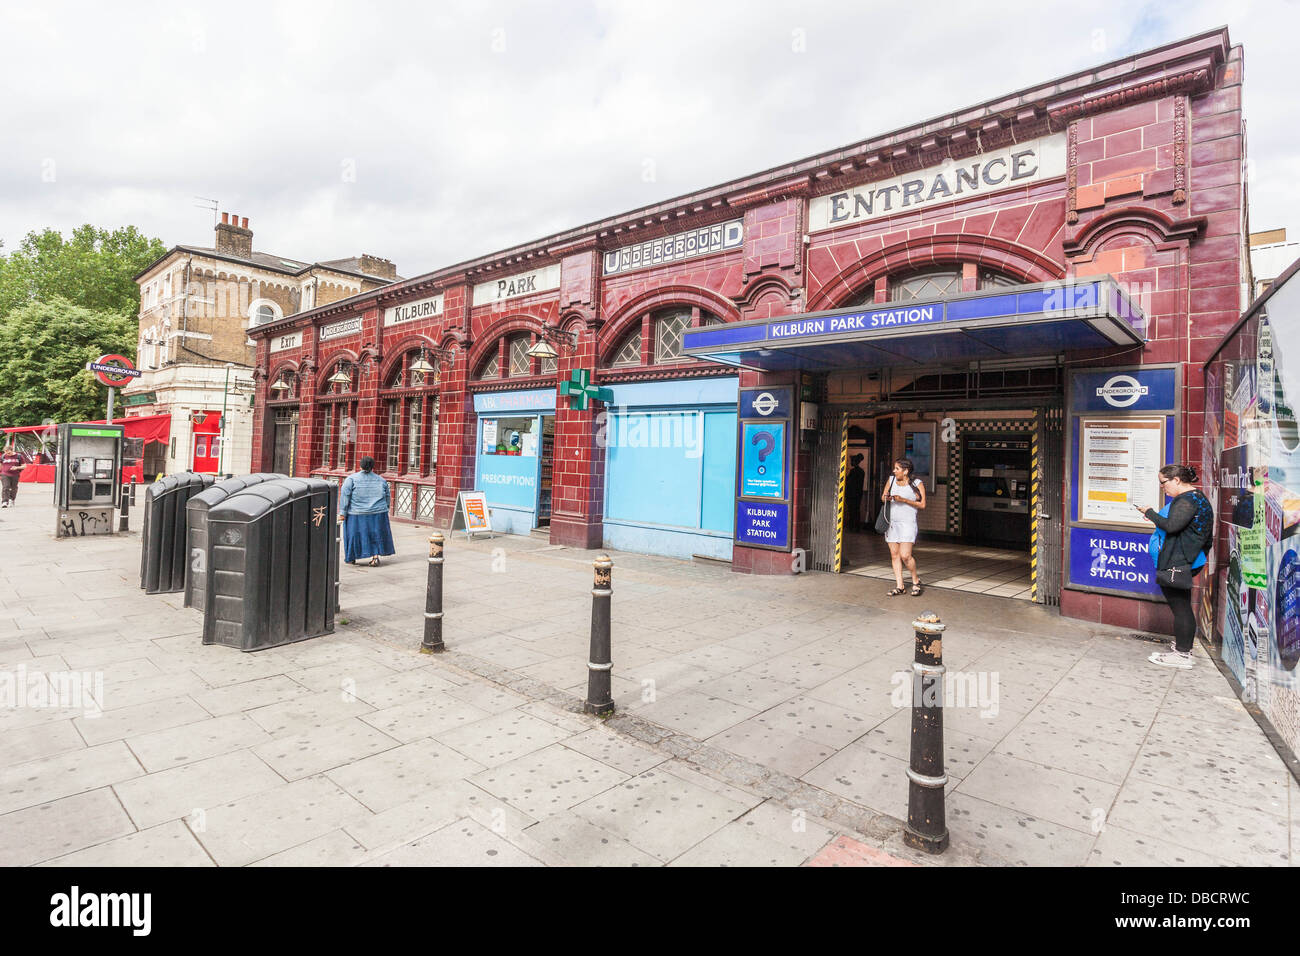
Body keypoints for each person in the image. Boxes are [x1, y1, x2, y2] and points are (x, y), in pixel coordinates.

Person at [1136, 464, 1214, 668]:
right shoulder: (1197, 498)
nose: (1162, 487)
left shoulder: (1187, 500)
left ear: (1177, 480)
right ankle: (1183, 647)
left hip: (1178, 561)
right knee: (1182, 606)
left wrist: (1150, 512)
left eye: (1163, 483)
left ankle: (1182, 655)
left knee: (1180, 608)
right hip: (1185, 559)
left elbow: (1172, 526)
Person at [338, 455, 395, 567]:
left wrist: (342, 513)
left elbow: (345, 496)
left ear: (360, 465)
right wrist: (385, 509)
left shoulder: (351, 479)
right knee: (376, 534)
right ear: (373, 467)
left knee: (354, 535)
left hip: (357, 513)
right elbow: (387, 496)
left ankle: (351, 557)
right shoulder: (381, 480)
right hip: (378, 513)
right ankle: (375, 557)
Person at [882, 457, 926, 596]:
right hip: (892, 522)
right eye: (894, 468)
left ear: (905, 471)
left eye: (897, 469)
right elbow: (883, 497)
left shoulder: (917, 483)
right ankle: (900, 585)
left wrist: (904, 500)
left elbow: (922, 504)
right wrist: (887, 497)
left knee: (905, 555)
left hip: (908, 523)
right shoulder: (891, 480)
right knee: (895, 555)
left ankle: (915, 580)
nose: (894, 471)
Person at [1, 441, 26, 508]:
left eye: (8, 452)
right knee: (5, 487)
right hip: (5, 474)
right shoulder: (3, 456)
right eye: (5, 452)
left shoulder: (19, 456)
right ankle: (4, 502)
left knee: (14, 488)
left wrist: (17, 467)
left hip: (15, 475)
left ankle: (12, 499)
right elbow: (0, 464)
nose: (7, 454)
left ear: (12, 450)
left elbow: (24, 466)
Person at [845, 454, 866, 532]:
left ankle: (851, 527)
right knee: (856, 510)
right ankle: (856, 527)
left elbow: (849, 482)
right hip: (858, 494)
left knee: (851, 511)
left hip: (851, 494)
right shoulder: (861, 471)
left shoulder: (853, 471)